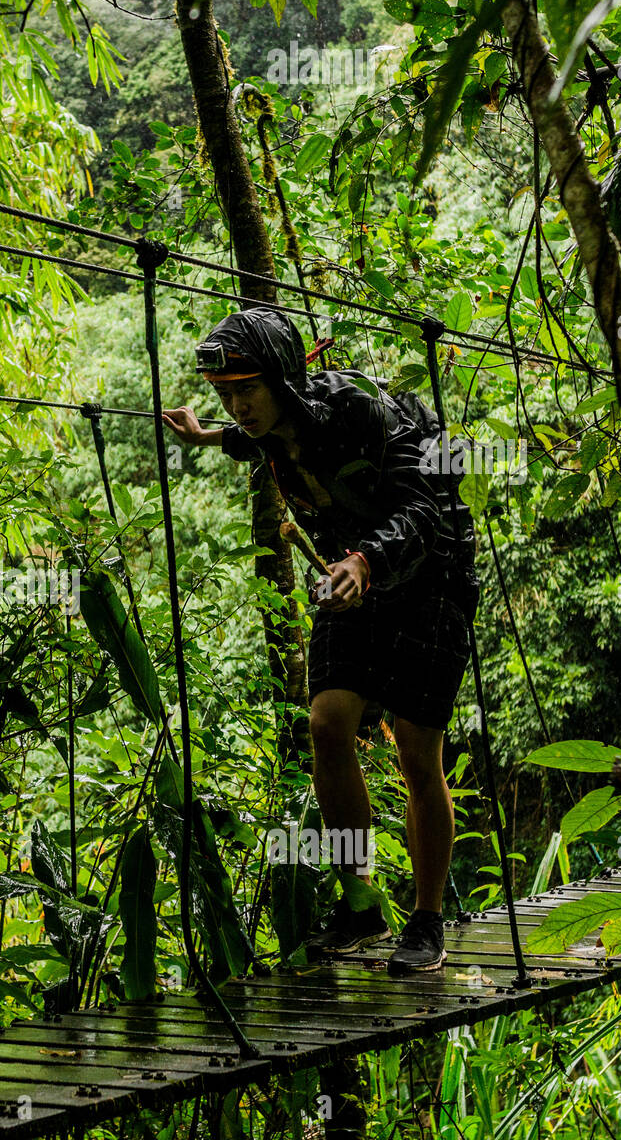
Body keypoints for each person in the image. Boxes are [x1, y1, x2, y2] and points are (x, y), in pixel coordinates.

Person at [162, 307, 479, 973]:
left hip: (431, 573)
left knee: (418, 753)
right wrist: (205, 436)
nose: (239, 406)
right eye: (226, 396)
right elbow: (258, 439)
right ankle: (361, 903)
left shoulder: (362, 412)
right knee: (328, 725)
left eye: (246, 391)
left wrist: (366, 562)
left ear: (282, 380)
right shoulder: (269, 427)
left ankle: (426, 921)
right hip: (351, 573)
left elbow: (422, 508)